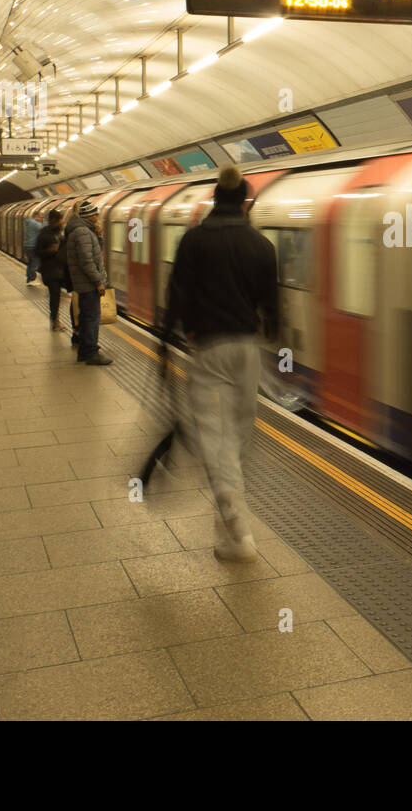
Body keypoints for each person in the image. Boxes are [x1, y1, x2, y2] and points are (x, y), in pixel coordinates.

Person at [162, 165, 278, 562]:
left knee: (216, 440)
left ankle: (238, 532)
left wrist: (166, 342)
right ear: (244, 200)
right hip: (247, 350)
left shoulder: (194, 241)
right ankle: (228, 529)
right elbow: (273, 309)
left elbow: (176, 294)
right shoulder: (262, 246)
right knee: (239, 438)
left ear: (214, 198)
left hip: (208, 350)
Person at [66, 200, 112, 365]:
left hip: (84, 283)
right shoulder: (82, 232)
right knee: (91, 318)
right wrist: (98, 282)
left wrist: (98, 236)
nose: (98, 217)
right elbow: (87, 261)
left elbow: (93, 252)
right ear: (89, 216)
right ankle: (91, 353)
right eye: (95, 214)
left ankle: (85, 352)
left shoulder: (83, 230)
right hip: (88, 284)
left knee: (87, 318)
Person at [35, 209, 67, 331]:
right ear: (54, 221)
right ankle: (55, 321)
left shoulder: (60, 233)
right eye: (60, 220)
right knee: (55, 296)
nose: (62, 222)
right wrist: (49, 251)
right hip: (50, 271)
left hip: (60, 269)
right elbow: (37, 252)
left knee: (57, 296)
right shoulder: (44, 234)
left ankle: (56, 320)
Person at [23, 214, 43, 284]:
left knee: (30, 263)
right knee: (35, 263)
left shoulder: (29, 222)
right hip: (33, 246)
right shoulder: (34, 223)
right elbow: (43, 227)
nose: (41, 219)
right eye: (41, 217)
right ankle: (32, 279)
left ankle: (28, 279)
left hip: (27, 246)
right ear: (36, 216)